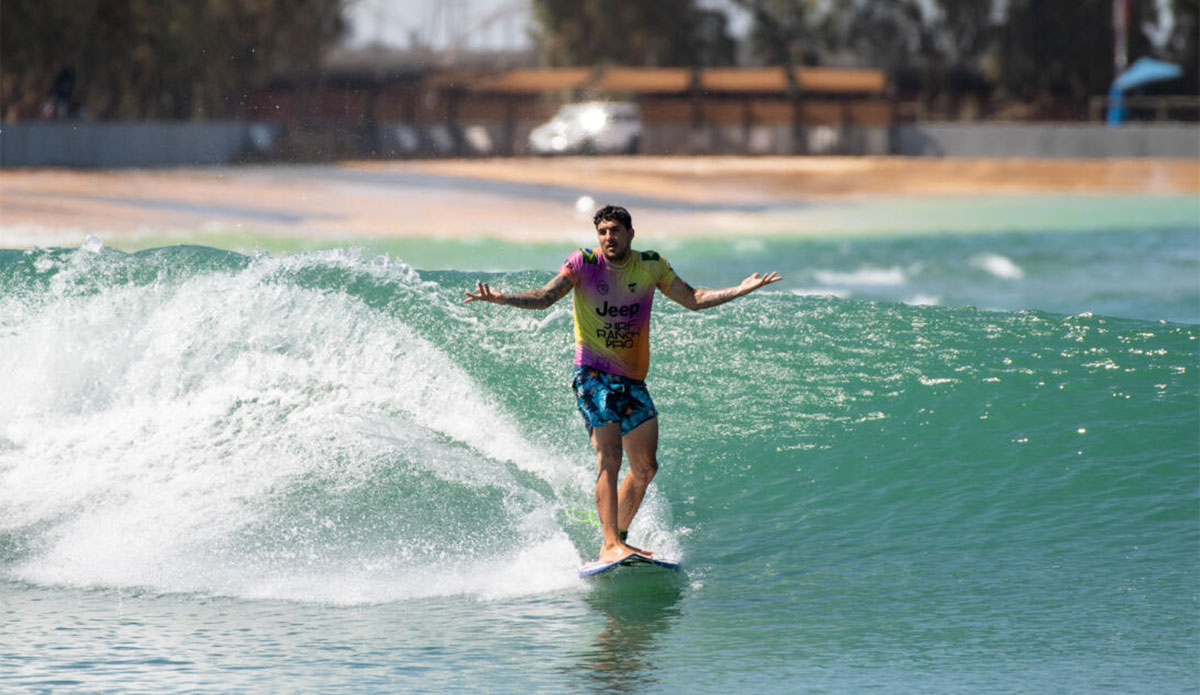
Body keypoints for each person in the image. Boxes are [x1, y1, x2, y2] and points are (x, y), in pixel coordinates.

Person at [464, 205, 781, 563]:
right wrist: (500, 298)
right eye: (602, 231)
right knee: (610, 457)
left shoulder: (651, 265)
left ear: (631, 233)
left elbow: (692, 299)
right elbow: (545, 297)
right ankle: (609, 543)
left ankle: (620, 538)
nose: (608, 238)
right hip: (592, 375)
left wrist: (739, 290)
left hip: (632, 381)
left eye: (615, 230)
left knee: (646, 467)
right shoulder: (583, 263)